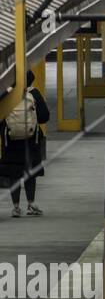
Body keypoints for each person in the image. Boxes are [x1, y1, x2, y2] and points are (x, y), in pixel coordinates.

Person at [2, 70, 51, 216]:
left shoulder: (7, 94)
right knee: (30, 172)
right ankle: (31, 204)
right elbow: (44, 117)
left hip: (11, 141)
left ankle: (16, 207)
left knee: (13, 174)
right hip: (30, 140)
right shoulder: (34, 93)